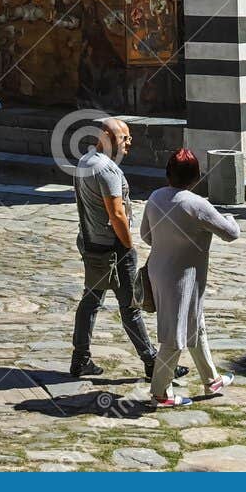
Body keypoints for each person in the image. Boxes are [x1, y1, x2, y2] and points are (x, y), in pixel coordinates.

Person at [70, 117, 182, 384]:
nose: (129, 143)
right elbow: (117, 213)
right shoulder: (106, 170)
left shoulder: (86, 161)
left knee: (91, 301)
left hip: (91, 242)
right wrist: (129, 246)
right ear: (108, 138)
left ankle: (80, 359)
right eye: (124, 138)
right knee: (130, 305)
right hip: (112, 247)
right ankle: (152, 362)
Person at [141, 148, 240, 408]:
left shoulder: (154, 197)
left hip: (159, 270)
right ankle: (161, 392)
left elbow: (146, 236)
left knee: (195, 325)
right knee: (174, 336)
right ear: (196, 176)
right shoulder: (196, 204)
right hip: (182, 278)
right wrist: (229, 216)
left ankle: (212, 379)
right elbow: (231, 233)